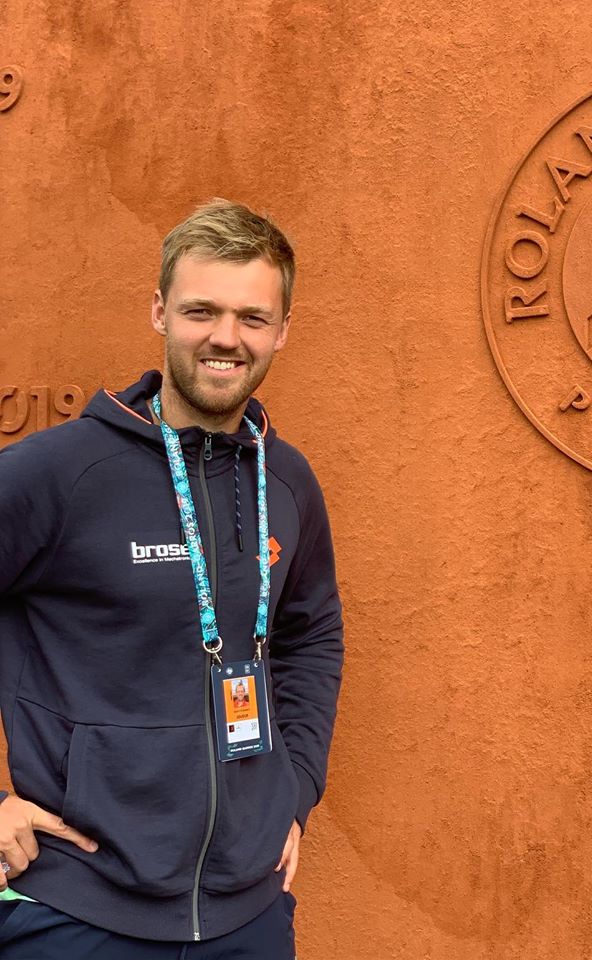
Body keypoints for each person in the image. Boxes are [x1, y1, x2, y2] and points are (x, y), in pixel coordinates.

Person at [0, 200, 344, 958]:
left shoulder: (286, 481)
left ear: (283, 330)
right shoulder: (57, 474)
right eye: (201, 311)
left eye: (253, 318)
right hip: (77, 914)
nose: (226, 337)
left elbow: (311, 634)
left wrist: (297, 791)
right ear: (159, 312)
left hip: (247, 916)